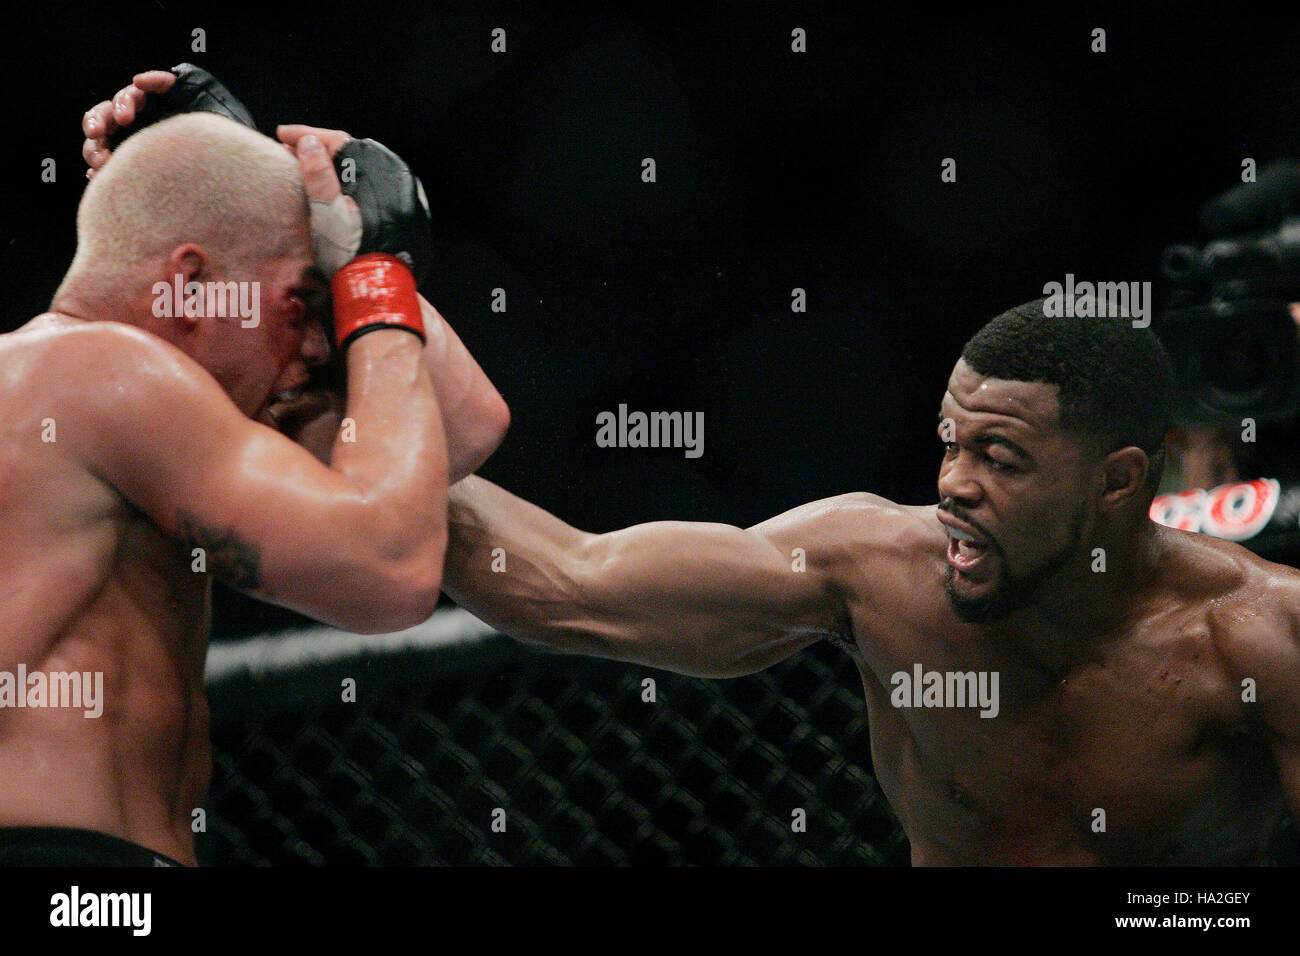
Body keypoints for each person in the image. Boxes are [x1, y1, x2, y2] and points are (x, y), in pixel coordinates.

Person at [442, 302, 1300, 865]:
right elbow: (564, 580)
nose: (955, 483)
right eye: (950, 441)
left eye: (1000, 458)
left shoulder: (1260, 640)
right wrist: (357, 396)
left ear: (1116, 482)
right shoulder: (872, 569)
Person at [0, 96, 496, 864]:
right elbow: (389, 569)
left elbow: (464, 426)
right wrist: (376, 278)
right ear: (190, 282)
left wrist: (363, 261)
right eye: (300, 303)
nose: (313, 350)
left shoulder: (90, 402)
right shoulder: (100, 371)